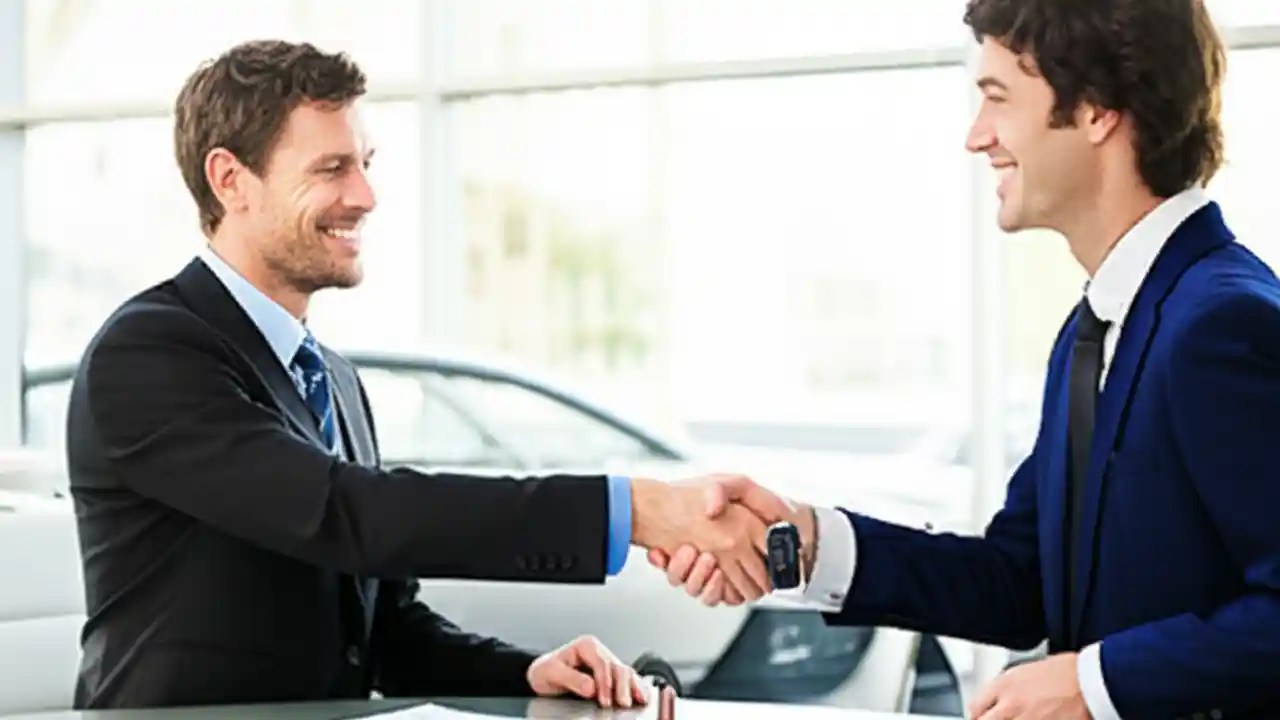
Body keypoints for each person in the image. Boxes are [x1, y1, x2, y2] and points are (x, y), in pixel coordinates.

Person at [65, 40, 784, 710]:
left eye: (365, 163)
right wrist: (637, 511)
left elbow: (382, 629)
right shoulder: (150, 354)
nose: (366, 197)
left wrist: (525, 672)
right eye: (331, 169)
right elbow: (349, 515)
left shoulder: (333, 381)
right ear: (231, 180)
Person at [654, 1, 1280, 718]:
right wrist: (805, 540)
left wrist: (1094, 683)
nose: (976, 137)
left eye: (997, 98)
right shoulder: (1098, 328)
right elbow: (1019, 582)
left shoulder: (1222, 326)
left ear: (1097, 108)